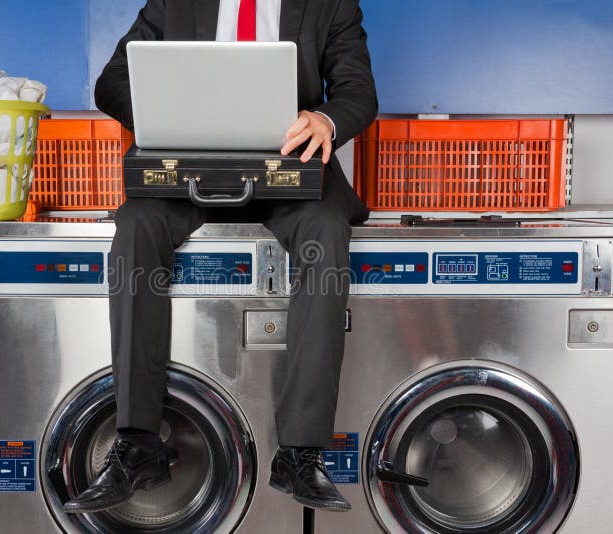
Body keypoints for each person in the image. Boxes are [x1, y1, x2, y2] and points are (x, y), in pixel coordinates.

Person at [63, 0, 377, 514]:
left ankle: (299, 453)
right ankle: (138, 441)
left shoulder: (329, 3)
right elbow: (113, 82)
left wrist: (323, 118)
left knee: (327, 231)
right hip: (189, 171)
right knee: (136, 227)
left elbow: (358, 91)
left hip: (290, 172)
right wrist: (171, 118)